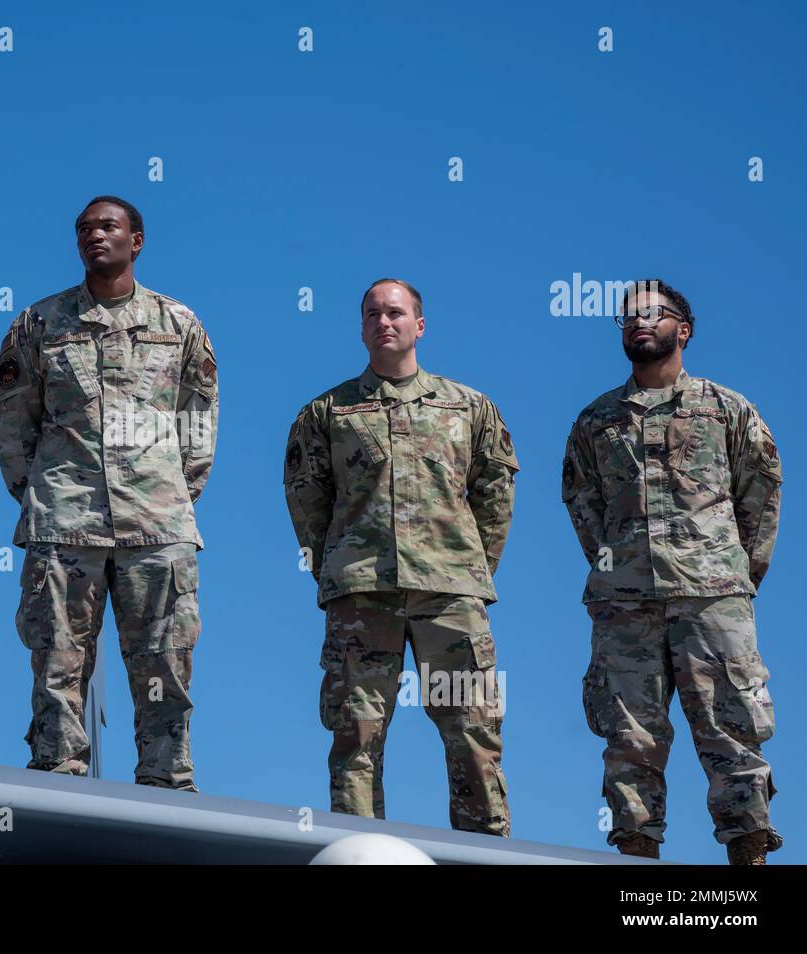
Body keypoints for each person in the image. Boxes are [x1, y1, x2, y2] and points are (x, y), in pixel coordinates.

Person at [0, 195, 217, 790]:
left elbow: (198, 427)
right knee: (56, 668)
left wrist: (168, 491)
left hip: (158, 526)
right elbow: (15, 428)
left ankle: (168, 787)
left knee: (165, 665)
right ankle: (57, 780)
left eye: (108, 226)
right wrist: (46, 494)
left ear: (136, 240)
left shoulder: (179, 325)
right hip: (65, 524)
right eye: (85, 228)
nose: (96, 235)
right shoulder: (39, 324)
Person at [283, 279, 517, 835]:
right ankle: (360, 849)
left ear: (420, 324)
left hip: (450, 597)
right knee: (356, 733)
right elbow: (307, 498)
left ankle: (483, 852)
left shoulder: (469, 407)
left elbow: (495, 494)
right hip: (362, 598)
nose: (383, 322)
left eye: (395, 313)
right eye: (371, 314)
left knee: (473, 732)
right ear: (361, 327)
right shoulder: (327, 412)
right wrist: (341, 565)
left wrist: (467, 565)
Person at [561, 279, 781, 864]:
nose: (637, 323)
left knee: (732, 731)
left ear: (683, 329)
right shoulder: (596, 422)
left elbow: (759, 494)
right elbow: (584, 504)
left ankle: (748, 861)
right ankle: (638, 865)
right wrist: (618, 566)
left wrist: (731, 571)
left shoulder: (727, 409)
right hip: (624, 604)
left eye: (652, 314)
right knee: (629, 740)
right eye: (627, 318)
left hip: (713, 600)